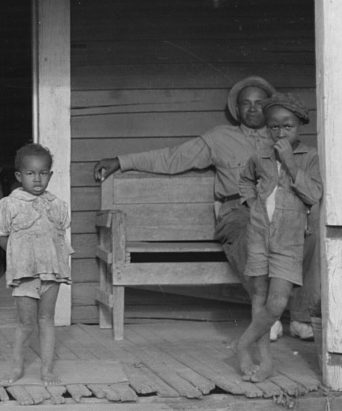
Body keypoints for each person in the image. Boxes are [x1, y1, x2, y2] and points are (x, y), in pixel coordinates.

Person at [92, 76, 317, 341]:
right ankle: (268, 317)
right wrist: (122, 161)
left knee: (311, 236)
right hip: (239, 210)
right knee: (249, 233)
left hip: (283, 209)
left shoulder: (284, 136)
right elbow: (173, 157)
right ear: (237, 109)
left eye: (259, 103)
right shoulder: (220, 137)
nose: (253, 108)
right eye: (246, 103)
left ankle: (302, 318)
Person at [233, 93, 322, 382]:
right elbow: (246, 180)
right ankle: (266, 361)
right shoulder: (259, 156)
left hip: (289, 238)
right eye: (274, 127)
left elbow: (314, 195)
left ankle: (242, 344)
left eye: (288, 127)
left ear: (300, 126)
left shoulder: (309, 157)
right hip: (259, 234)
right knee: (259, 295)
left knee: (277, 301)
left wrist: (290, 164)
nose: (280, 133)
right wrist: (251, 203)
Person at [0, 143, 73, 385]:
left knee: (47, 319)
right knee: (26, 323)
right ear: (19, 176)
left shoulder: (57, 205)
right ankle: (17, 368)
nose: (37, 179)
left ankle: (46, 370)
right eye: (30, 173)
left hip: (52, 273)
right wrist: (20, 255)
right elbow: (1, 235)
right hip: (26, 275)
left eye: (43, 173)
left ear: (50, 175)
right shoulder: (9, 204)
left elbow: (57, 237)